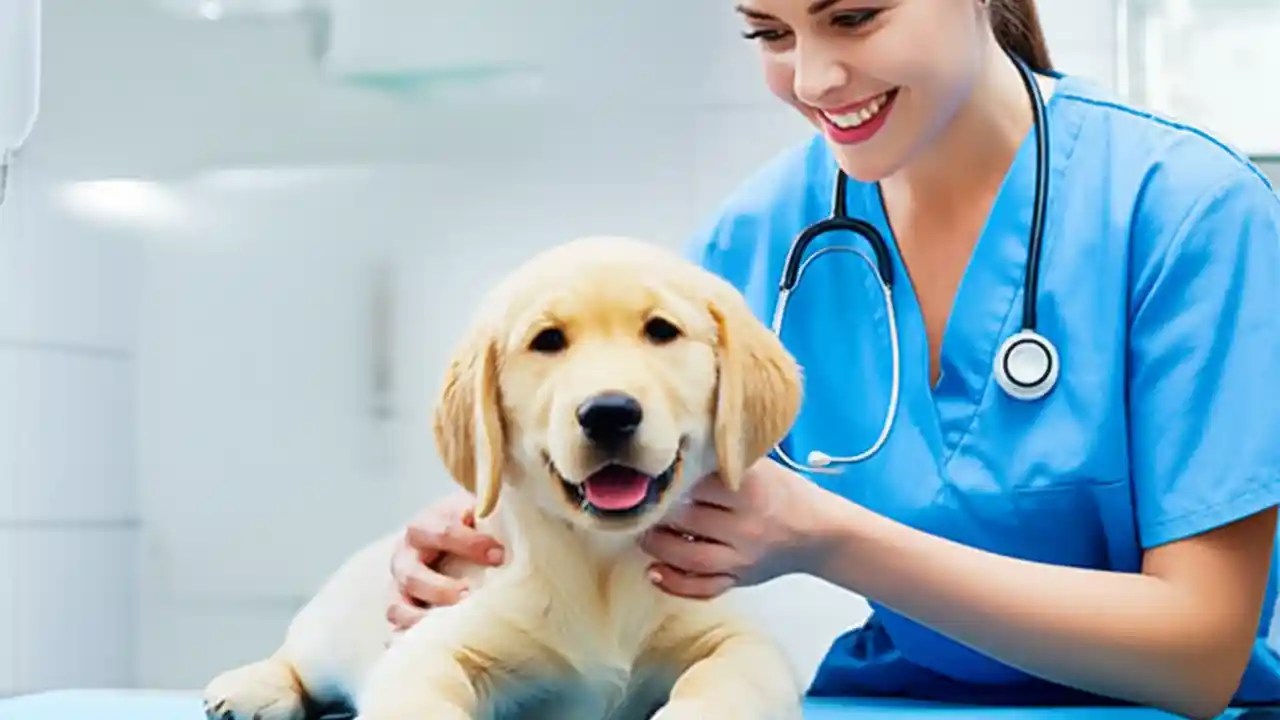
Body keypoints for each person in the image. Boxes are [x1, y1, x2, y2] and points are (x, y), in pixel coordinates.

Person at [387, 0, 1280, 716]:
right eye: (770, 33)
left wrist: (831, 539)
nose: (812, 79)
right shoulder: (759, 237)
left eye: (854, 17)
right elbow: (638, 457)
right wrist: (500, 522)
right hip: (879, 704)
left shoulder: (1186, 211)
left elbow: (1200, 654)